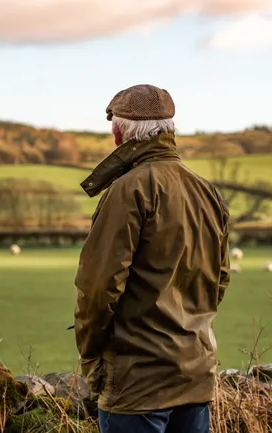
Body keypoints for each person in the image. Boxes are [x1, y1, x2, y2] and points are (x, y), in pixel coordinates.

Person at [73, 84, 231, 433]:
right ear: (170, 130)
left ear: (118, 133)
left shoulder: (128, 189)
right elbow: (219, 279)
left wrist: (92, 355)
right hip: (195, 374)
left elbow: (99, 287)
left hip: (138, 382)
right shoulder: (207, 191)